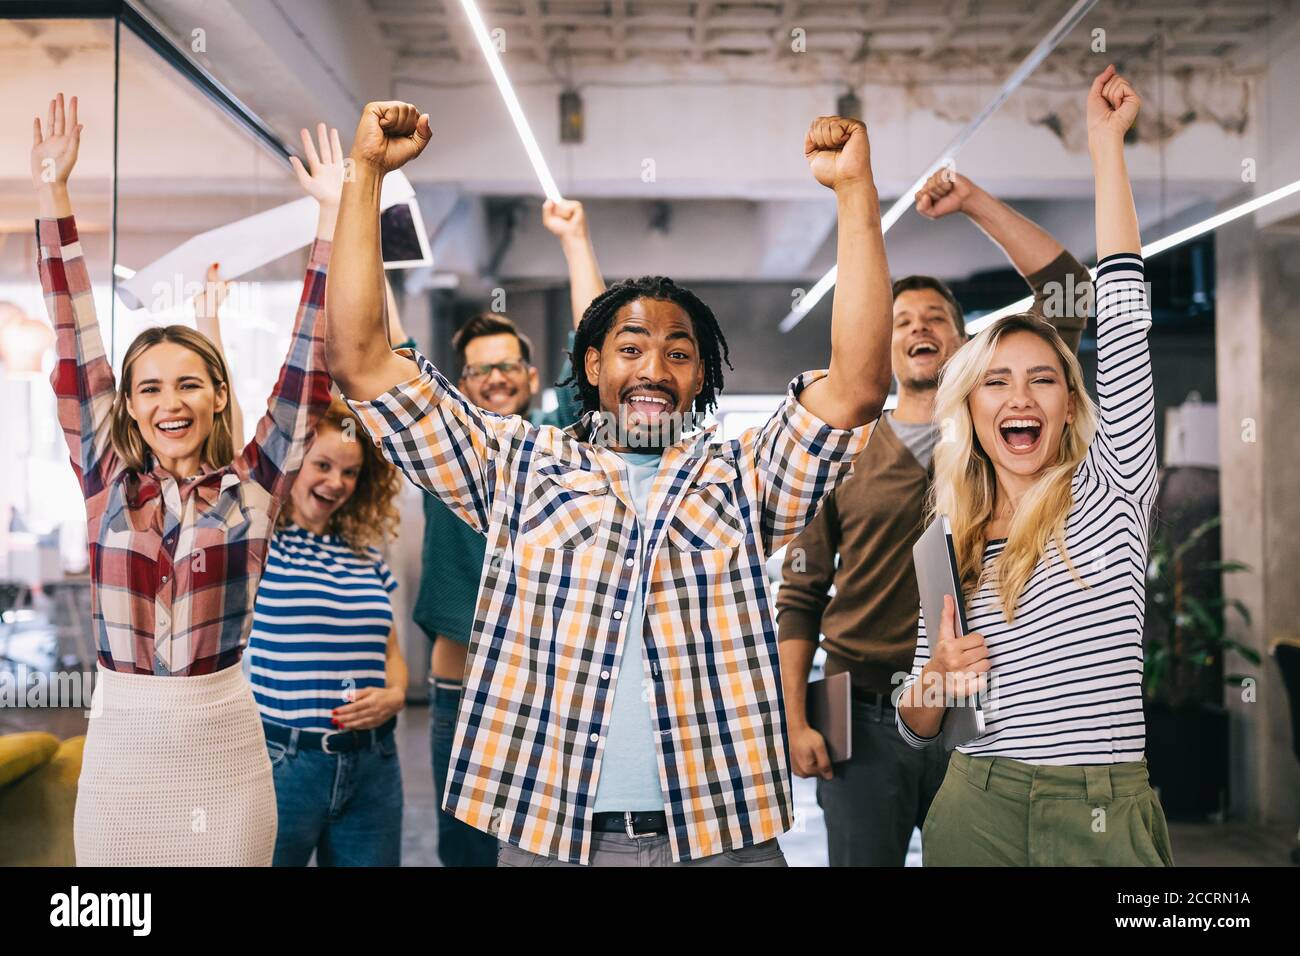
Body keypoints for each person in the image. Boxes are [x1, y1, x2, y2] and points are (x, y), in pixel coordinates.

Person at [324, 102, 892, 866]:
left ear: (702, 377)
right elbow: (361, 361)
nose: (654, 368)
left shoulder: (740, 477)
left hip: (721, 837)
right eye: (631, 347)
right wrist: (363, 178)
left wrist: (855, 193)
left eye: (679, 353)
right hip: (554, 839)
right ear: (592, 368)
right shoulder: (519, 467)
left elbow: (857, 386)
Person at [33, 95, 334, 865]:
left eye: (190, 383)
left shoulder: (255, 487)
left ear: (219, 393)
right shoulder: (106, 484)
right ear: (127, 408)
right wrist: (53, 193)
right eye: (151, 388)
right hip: (121, 761)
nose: (171, 402)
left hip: (225, 757)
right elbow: (74, 338)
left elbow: (308, 363)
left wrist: (333, 222)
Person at [896, 66, 1173, 866]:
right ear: (973, 413)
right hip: (974, 802)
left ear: (1068, 404)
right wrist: (936, 683)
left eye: (1043, 378)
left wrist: (1103, 147)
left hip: (1102, 808)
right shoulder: (950, 533)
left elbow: (1116, 309)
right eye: (997, 382)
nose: (1020, 396)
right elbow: (921, 722)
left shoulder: (1112, 484)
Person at [776, 169, 1092, 866]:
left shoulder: (1007, 438)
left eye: (936, 318)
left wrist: (975, 201)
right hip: (851, 698)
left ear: (962, 341)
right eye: (901, 321)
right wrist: (796, 716)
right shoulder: (843, 450)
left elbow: (1071, 291)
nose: (919, 326)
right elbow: (799, 595)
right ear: (884, 348)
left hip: (977, 704)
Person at [414, 199, 603, 867]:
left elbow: (593, 355)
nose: (495, 378)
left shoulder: (559, 446)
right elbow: (379, 353)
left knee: (543, 854)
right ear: (461, 384)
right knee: (466, 856)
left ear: (530, 378)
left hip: (546, 694)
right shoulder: (441, 448)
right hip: (461, 696)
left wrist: (575, 241)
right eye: (479, 369)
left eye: (508, 366)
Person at [245, 398, 409, 866]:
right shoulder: (257, 542)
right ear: (293, 461)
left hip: (374, 766)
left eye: (351, 472)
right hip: (284, 764)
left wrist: (396, 695)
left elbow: (390, 649)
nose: (336, 482)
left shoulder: (365, 554)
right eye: (322, 465)